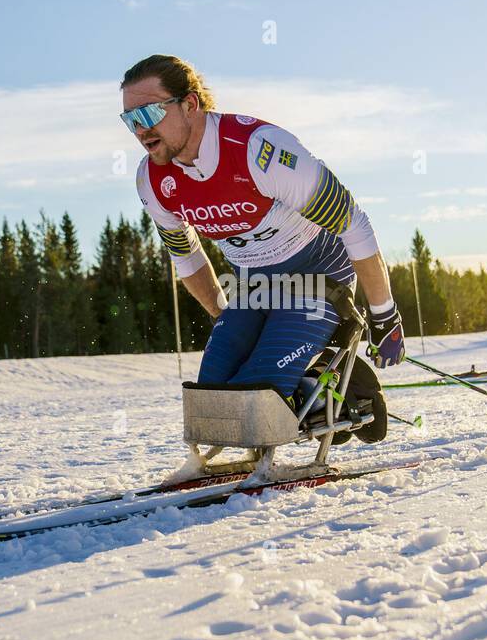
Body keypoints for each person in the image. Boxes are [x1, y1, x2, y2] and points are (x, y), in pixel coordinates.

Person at [123, 54, 405, 421]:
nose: (140, 131)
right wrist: (226, 320)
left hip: (318, 279)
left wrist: (384, 315)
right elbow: (187, 256)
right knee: (212, 400)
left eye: (147, 114)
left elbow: (354, 224)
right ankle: (309, 380)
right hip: (254, 287)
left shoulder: (259, 150)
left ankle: (339, 391)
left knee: (255, 398)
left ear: (189, 104)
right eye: (130, 120)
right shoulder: (153, 181)